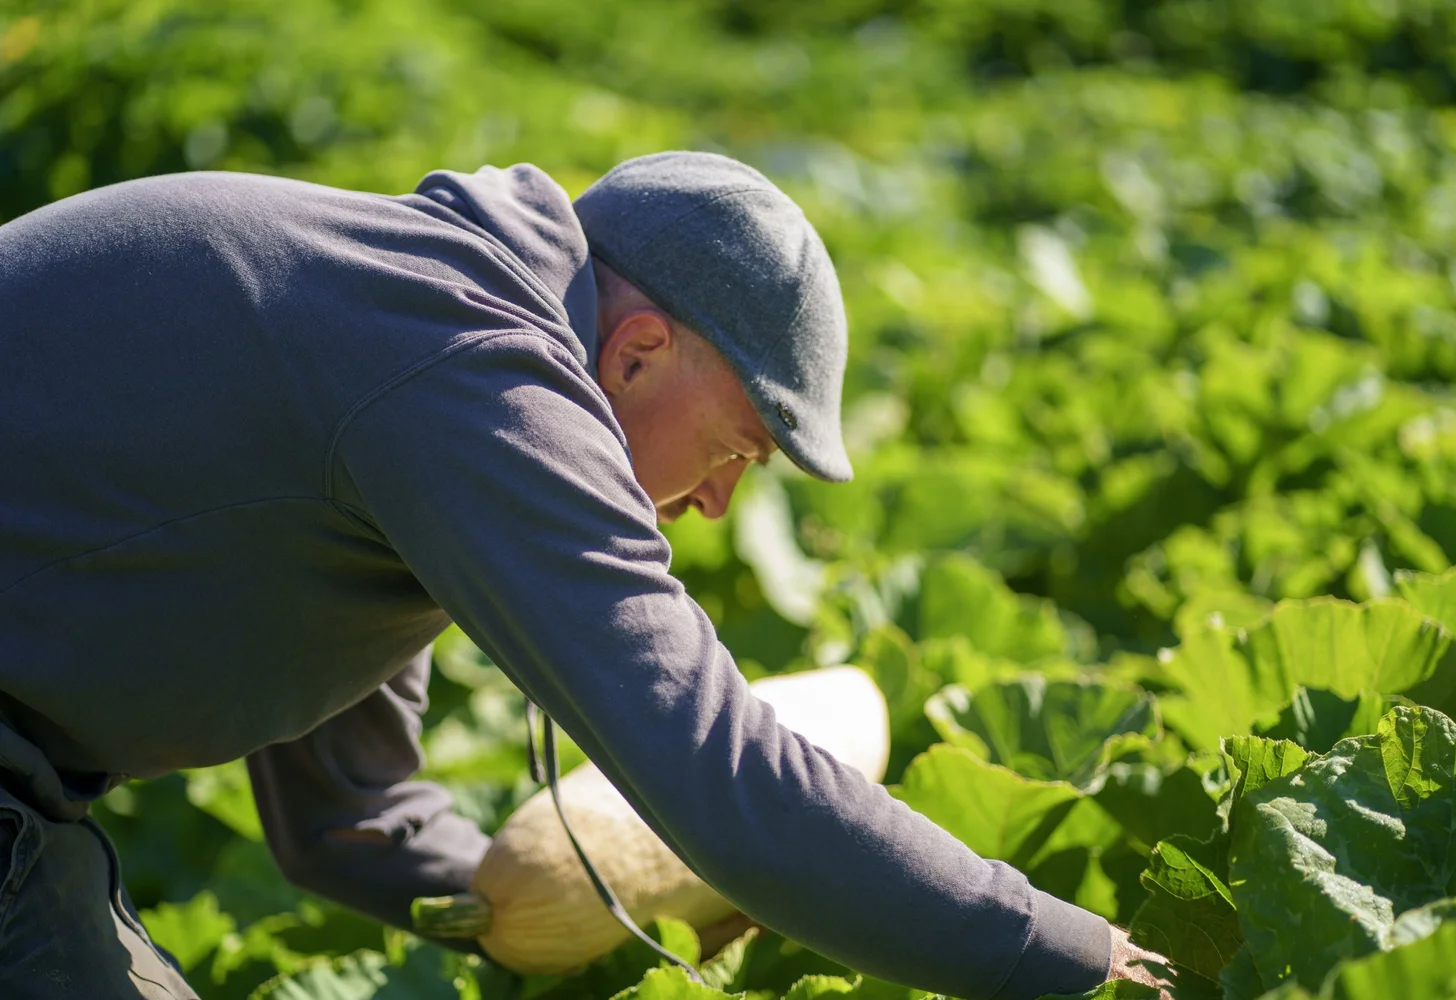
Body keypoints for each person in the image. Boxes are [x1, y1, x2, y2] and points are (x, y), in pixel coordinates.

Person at [0, 151, 1169, 999]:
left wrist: (549, 905)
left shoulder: (409, 333)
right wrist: (1055, 948)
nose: (716, 502)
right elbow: (718, 764)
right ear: (640, 351)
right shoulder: (476, 378)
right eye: (735, 452)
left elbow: (342, 814)